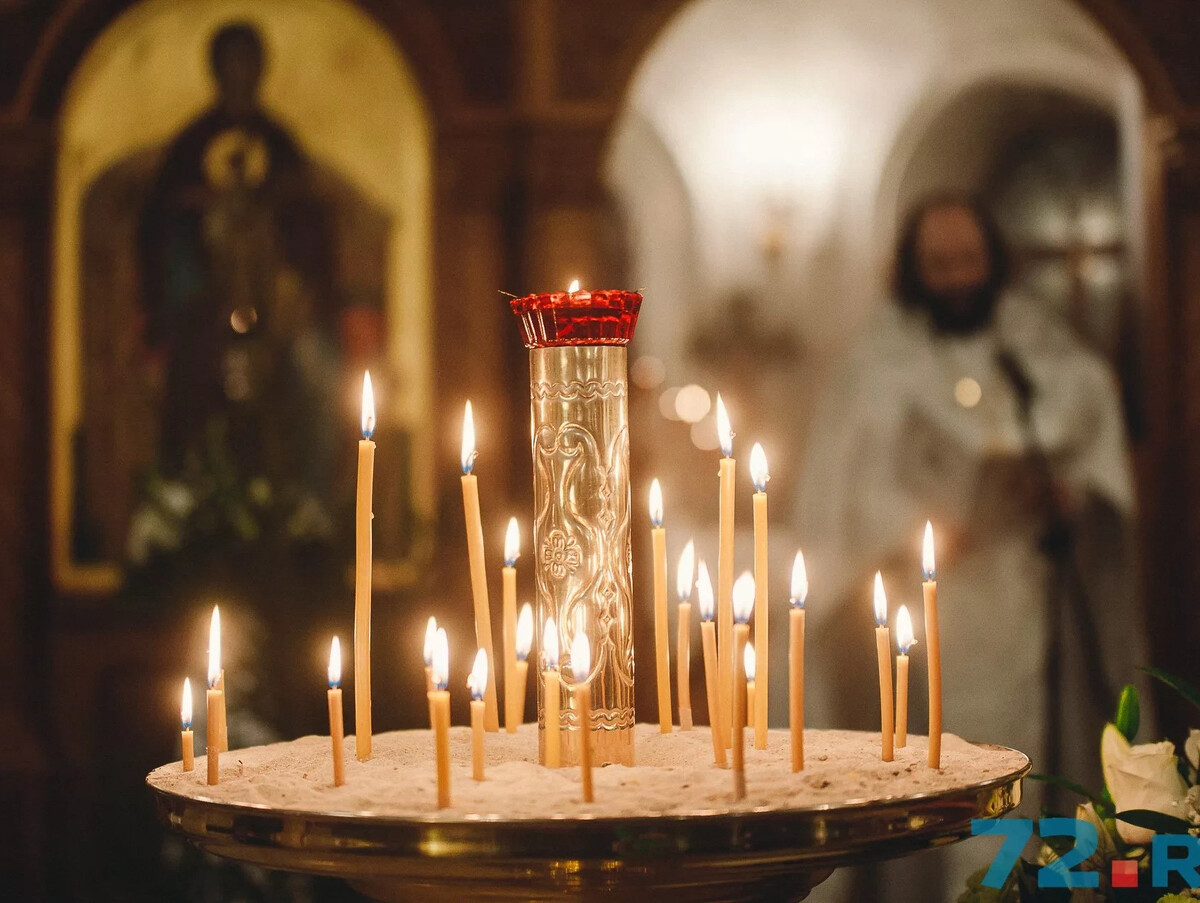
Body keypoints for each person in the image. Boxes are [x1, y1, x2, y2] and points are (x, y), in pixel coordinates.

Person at [797, 195, 1145, 901]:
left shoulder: (1032, 341)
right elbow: (845, 490)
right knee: (943, 779)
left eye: (969, 260)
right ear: (914, 272)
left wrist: (1064, 488)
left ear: (993, 260)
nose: (958, 278)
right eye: (940, 264)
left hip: (1027, 592)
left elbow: (1086, 412)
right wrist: (920, 522)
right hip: (929, 610)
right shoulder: (877, 362)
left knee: (1036, 766)